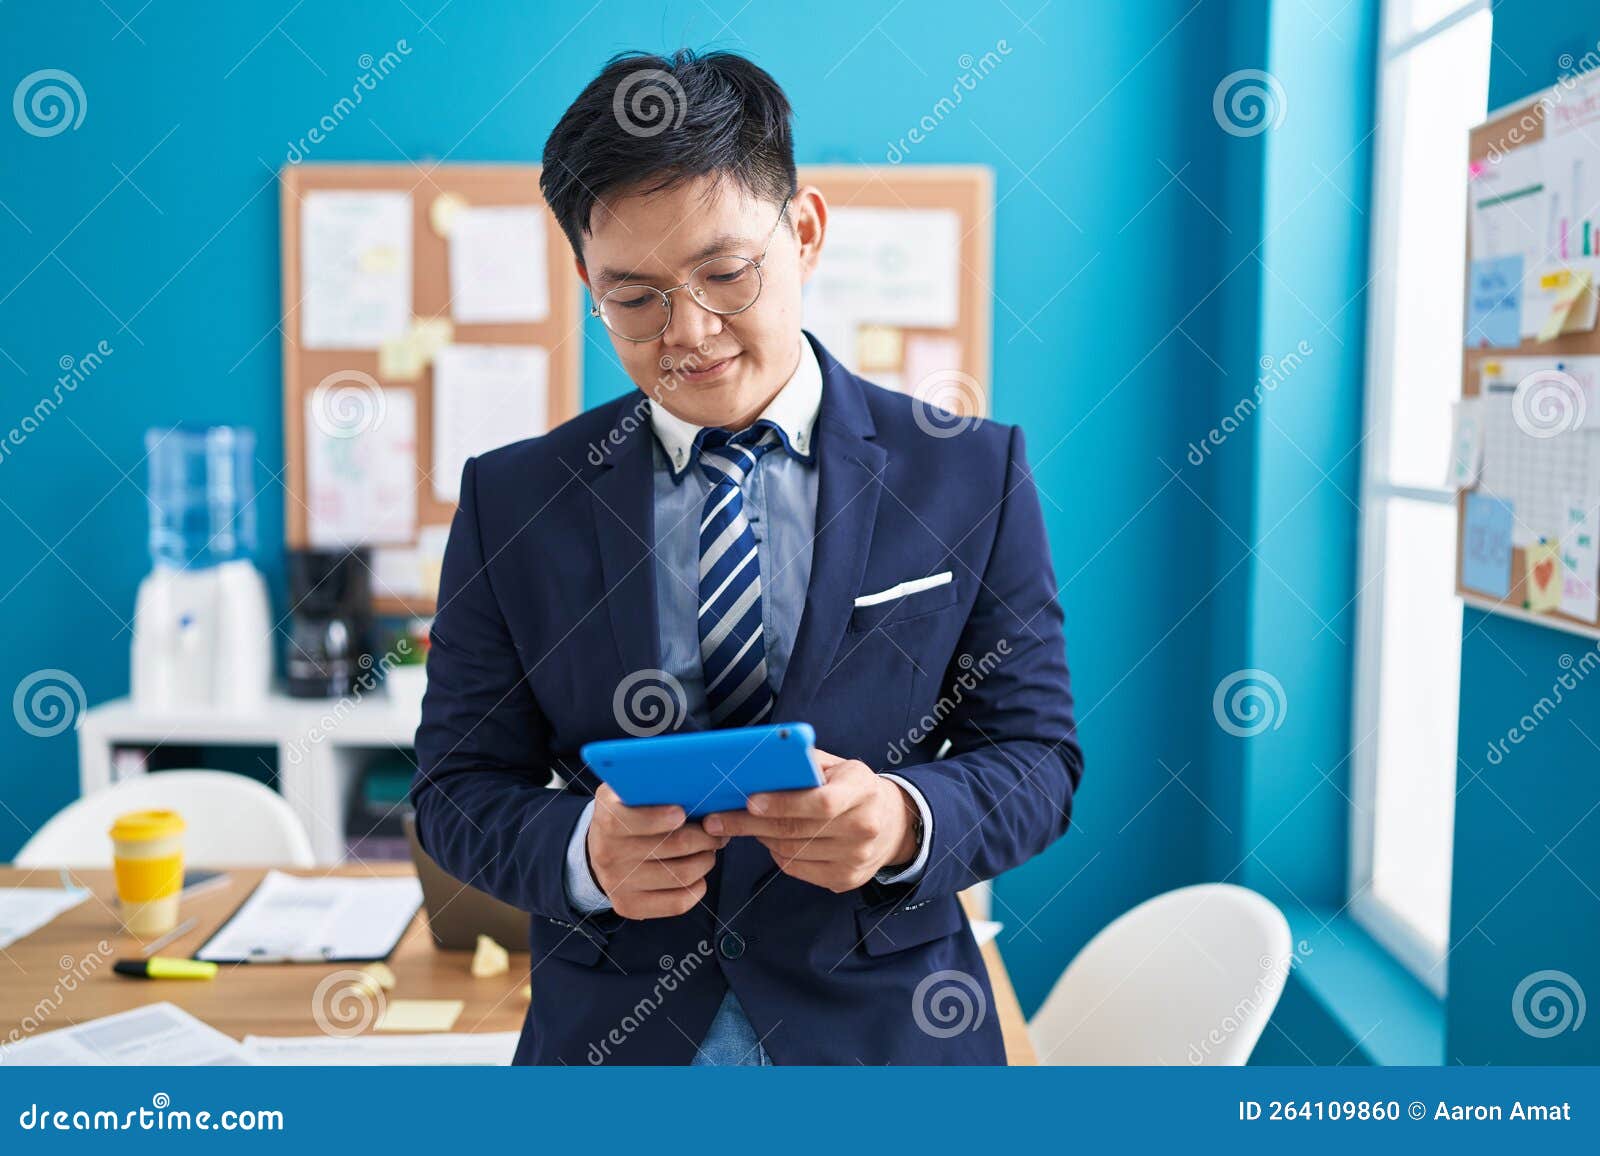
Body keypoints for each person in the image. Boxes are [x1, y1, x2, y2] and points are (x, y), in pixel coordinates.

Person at [412, 47, 1083, 1066]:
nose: (688, 333)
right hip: (614, 1043)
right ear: (587, 280)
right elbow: (455, 788)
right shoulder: (514, 500)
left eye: (726, 273)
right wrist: (584, 854)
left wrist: (904, 818)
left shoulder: (969, 474)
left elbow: (1038, 759)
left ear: (804, 231)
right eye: (633, 298)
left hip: (887, 1037)